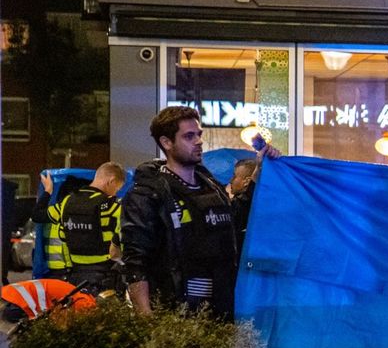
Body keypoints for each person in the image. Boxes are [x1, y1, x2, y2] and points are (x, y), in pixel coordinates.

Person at [121, 106, 278, 319]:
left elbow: (235, 216)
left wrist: (260, 171)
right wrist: (146, 319)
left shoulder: (210, 186)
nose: (198, 141)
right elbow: (136, 261)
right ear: (167, 142)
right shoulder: (149, 194)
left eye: (199, 134)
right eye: (189, 136)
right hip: (177, 314)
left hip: (222, 308)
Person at [32, 163, 125, 291]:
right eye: (117, 188)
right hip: (105, 276)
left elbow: (37, 215)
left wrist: (48, 191)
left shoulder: (66, 202)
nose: (116, 192)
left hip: (75, 278)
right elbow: (126, 232)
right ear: (112, 181)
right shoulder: (112, 205)